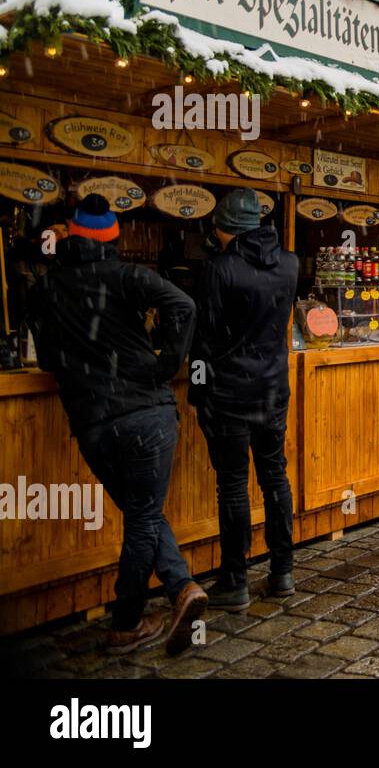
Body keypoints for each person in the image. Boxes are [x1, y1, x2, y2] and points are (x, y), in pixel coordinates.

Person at [29, 194, 207, 656]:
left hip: (92, 421)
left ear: (71, 234)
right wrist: (166, 360)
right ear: (112, 237)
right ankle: (128, 620)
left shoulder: (47, 288)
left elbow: (48, 358)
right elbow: (184, 305)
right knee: (144, 515)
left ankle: (180, 587)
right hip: (148, 414)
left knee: (141, 513)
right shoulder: (127, 276)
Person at [189, 189, 299, 609]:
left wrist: (197, 392)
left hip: (229, 393)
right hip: (273, 390)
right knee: (275, 477)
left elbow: (206, 339)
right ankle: (282, 571)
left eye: (216, 226)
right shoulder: (288, 264)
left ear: (227, 228)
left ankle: (234, 581)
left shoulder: (219, 269)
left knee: (232, 486)